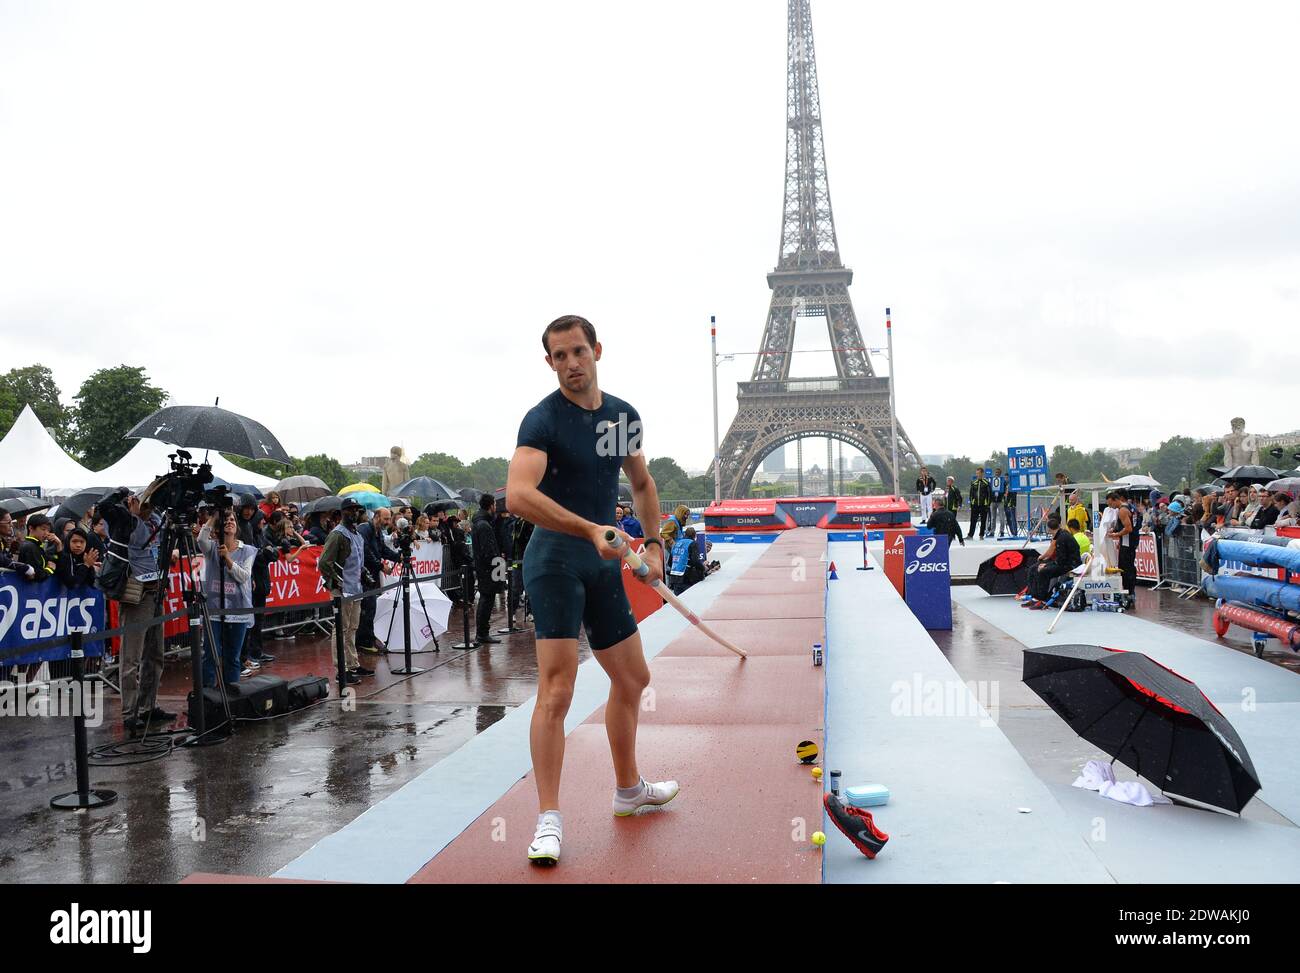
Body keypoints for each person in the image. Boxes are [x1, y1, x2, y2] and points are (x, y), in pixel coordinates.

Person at [506, 313, 674, 867]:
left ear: (597, 350)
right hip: (556, 560)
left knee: (633, 677)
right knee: (558, 690)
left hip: (606, 561)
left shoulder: (622, 417)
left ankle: (628, 790)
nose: (571, 364)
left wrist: (652, 544)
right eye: (559, 356)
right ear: (549, 362)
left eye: (578, 352)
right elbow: (517, 495)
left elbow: (642, 483)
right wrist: (586, 528)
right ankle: (549, 818)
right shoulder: (543, 421)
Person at [118, 494, 175, 732]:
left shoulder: (157, 522)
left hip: (156, 591)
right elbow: (126, 545)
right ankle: (130, 712)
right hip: (136, 594)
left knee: (155, 654)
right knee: (131, 658)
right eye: (144, 502)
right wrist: (132, 516)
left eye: (151, 502)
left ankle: (148, 706)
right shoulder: (123, 522)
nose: (148, 506)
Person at [197, 508, 259, 689]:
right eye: (226, 521)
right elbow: (201, 539)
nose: (230, 522)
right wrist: (215, 515)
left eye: (232, 520)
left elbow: (244, 576)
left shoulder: (247, 550)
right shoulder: (212, 548)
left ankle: (232, 694)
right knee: (211, 653)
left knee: (233, 655)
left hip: (238, 609)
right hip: (214, 610)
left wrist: (228, 559)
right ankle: (207, 695)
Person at [317, 497, 366, 685]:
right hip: (342, 589)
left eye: (356, 509)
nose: (354, 513)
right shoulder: (338, 534)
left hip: (356, 587)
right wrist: (336, 581)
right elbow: (324, 562)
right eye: (350, 510)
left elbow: (358, 561)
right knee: (341, 628)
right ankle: (341, 669)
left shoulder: (357, 534)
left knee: (352, 628)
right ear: (342, 512)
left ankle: (353, 663)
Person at [357, 506, 402, 655]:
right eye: (385, 519)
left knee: (370, 608)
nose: (388, 522)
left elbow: (382, 549)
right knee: (367, 608)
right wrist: (381, 565)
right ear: (376, 517)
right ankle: (364, 641)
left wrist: (397, 557)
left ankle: (368, 637)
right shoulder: (365, 529)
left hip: (373, 576)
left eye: (389, 519)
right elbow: (366, 552)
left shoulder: (378, 532)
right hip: (362, 576)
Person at [1024, 513, 1082, 608]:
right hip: (1064, 562)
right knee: (1035, 569)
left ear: (1049, 529)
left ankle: (1042, 599)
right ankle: (1035, 597)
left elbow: (1061, 560)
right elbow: (1059, 558)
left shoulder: (1062, 538)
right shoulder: (1059, 534)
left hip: (1071, 565)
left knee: (1043, 572)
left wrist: (1046, 565)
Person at [470, 494, 505, 645]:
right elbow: (488, 550)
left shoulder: (481, 522)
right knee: (487, 600)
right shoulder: (483, 525)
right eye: (495, 505)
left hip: (484, 567)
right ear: (491, 505)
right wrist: (496, 563)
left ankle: (483, 632)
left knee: (487, 599)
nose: (496, 508)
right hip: (487, 569)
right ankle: (482, 633)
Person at [1105, 490, 1137, 608]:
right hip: (1128, 541)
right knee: (1128, 566)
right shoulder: (1129, 506)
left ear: (1115, 500)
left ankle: (1129, 592)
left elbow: (1128, 528)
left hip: (1128, 543)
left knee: (1125, 567)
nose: (1110, 507)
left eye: (1110, 504)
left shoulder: (1122, 510)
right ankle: (1130, 591)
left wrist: (1116, 535)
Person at [17, 513, 60, 581]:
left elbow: (53, 561)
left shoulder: (37, 545)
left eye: (48, 530)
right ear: (31, 528)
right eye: (43, 529)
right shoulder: (30, 547)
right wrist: (49, 569)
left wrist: (58, 545)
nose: (46, 533)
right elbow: (37, 575)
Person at [968, 468, 992, 540]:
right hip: (975, 505)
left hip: (983, 505)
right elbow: (971, 494)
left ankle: (981, 535)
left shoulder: (986, 483)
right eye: (977, 473)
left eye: (979, 473)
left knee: (983, 520)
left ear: (982, 473)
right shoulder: (973, 482)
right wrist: (971, 504)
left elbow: (990, 495)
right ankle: (970, 535)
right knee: (973, 520)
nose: (977, 475)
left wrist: (988, 505)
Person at [989, 468, 1008, 538]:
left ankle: (1002, 531)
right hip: (993, 501)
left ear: (1000, 473)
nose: (997, 474)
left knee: (1001, 517)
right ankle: (992, 531)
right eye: (996, 472)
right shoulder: (992, 480)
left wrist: (1004, 496)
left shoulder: (1003, 481)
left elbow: (1006, 488)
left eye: (998, 473)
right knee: (993, 517)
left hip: (1000, 501)